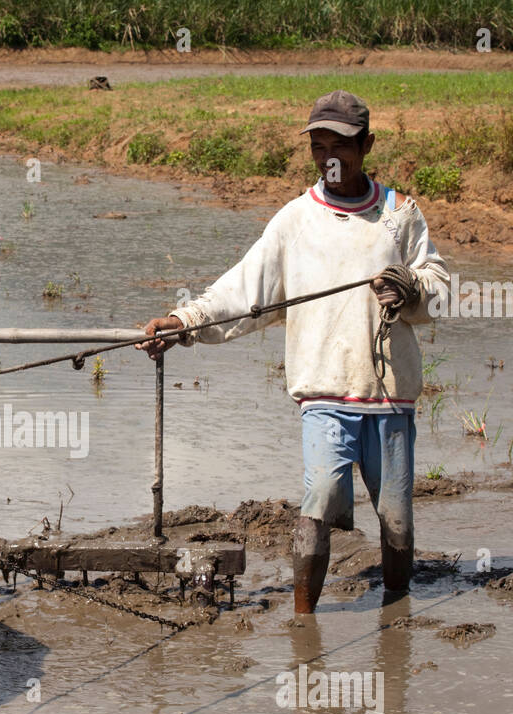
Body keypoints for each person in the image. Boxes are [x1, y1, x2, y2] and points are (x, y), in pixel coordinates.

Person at [137, 90, 450, 614]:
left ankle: (397, 614)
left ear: (367, 145)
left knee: (396, 517)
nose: (330, 159)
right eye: (318, 147)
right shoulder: (295, 220)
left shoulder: (399, 214)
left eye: (342, 147)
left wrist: (410, 287)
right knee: (319, 501)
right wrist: (183, 322)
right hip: (323, 392)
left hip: (389, 395)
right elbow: (244, 294)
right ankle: (306, 624)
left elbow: (437, 286)